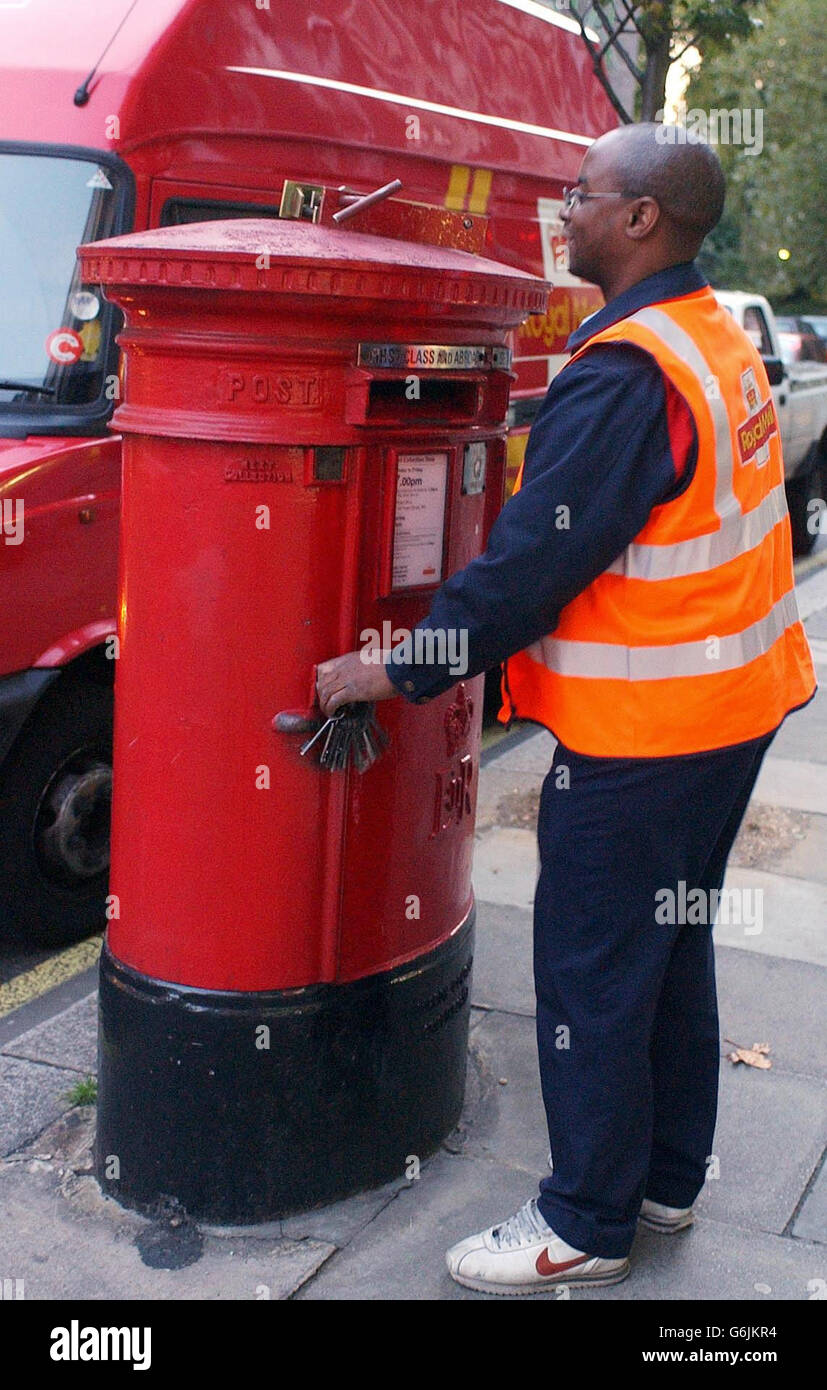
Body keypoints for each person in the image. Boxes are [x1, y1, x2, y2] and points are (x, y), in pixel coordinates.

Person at [315, 123, 816, 1295]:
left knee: (590, 968)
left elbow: (523, 578)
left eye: (579, 193)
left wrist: (388, 670)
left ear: (639, 217)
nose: (562, 208)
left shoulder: (626, 371)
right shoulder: (711, 339)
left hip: (647, 737)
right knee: (670, 935)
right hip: (737, 709)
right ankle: (664, 1179)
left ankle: (581, 1219)